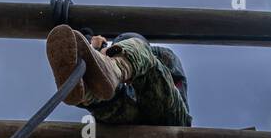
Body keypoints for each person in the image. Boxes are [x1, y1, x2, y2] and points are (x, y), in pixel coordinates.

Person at [45, 25, 191, 127]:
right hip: (130, 115)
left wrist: (108, 54)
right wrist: (93, 50)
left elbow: (164, 85)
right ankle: (83, 89)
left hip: (170, 117)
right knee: (106, 90)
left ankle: (116, 67)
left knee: (138, 53)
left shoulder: (161, 55)